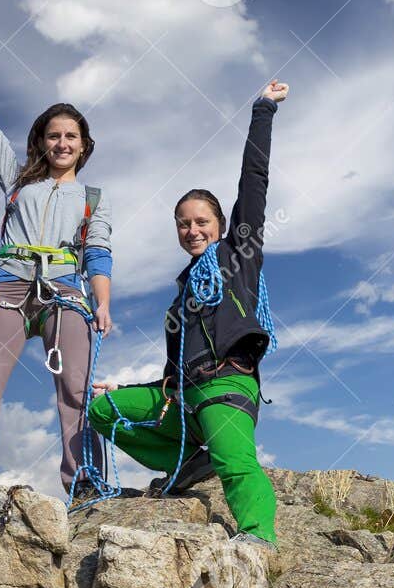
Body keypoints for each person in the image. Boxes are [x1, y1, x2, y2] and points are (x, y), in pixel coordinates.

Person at [88, 79, 288, 545]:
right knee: (103, 409)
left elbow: (254, 179)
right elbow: (173, 367)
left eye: (202, 221)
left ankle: (259, 535)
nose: (192, 230)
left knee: (236, 464)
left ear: (221, 225)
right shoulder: (182, 294)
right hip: (183, 397)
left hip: (224, 385)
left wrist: (263, 109)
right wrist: (132, 388)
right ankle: (190, 461)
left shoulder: (238, 255)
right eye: (183, 224)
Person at [0, 43, 113, 496]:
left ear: (84, 145)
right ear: (41, 142)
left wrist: (102, 303)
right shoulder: (17, 180)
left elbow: (98, 253)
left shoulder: (93, 199)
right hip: (8, 288)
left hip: (65, 293)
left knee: (76, 392)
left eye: (71, 136)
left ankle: (86, 484)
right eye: (54, 135)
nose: (62, 143)